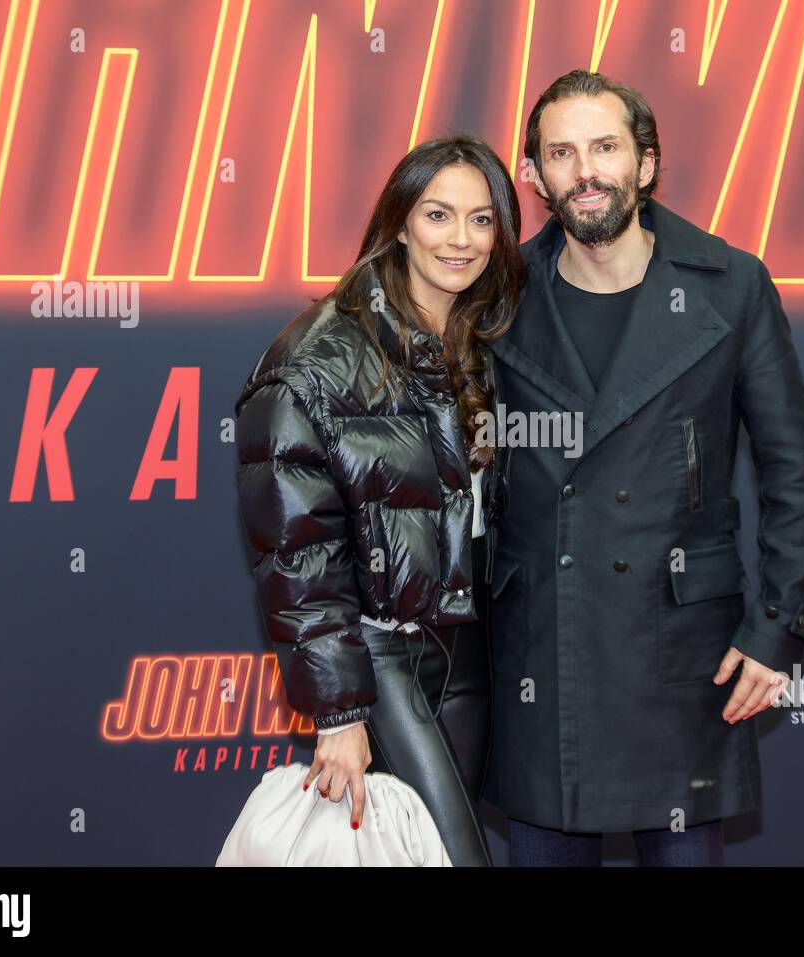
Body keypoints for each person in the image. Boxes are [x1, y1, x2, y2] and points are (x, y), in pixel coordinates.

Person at [484, 70, 804, 866]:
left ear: (646, 163)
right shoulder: (499, 296)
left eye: (605, 147)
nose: (586, 171)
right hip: (543, 659)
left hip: (680, 657)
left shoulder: (732, 285)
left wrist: (778, 629)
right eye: (561, 153)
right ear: (536, 176)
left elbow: (793, 476)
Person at [232, 134, 523, 866]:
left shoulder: (481, 344)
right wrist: (339, 710)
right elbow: (296, 547)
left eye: (482, 220)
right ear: (399, 222)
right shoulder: (315, 359)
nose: (462, 239)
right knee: (459, 858)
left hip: (466, 651)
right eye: (439, 215)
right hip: (381, 655)